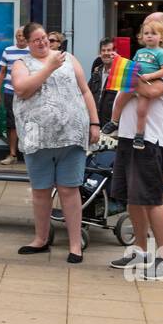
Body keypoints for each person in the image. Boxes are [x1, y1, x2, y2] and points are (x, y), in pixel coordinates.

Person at [108, 11, 163, 280]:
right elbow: (127, 87)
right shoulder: (142, 57)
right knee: (132, 197)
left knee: (152, 199)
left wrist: (126, 77)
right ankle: (140, 251)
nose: (146, 32)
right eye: (144, 29)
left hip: (152, 140)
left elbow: (152, 91)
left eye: (151, 28)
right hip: (128, 136)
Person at [11, 22, 100, 264]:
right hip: (37, 138)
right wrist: (48, 68)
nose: (42, 43)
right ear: (27, 43)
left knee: (69, 190)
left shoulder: (68, 58)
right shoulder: (21, 64)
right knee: (40, 191)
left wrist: (94, 122)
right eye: (36, 40)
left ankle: (74, 245)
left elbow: (85, 91)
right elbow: (22, 90)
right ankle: (40, 239)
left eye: (44, 38)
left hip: (71, 136)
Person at [103, 20, 163, 150]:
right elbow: (131, 65)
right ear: (141, 37)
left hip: (146, 86)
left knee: (141, 111)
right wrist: (118, 58)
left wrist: (151, 76)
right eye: (146, 33)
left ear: (161, 37)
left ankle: (139, 135)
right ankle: (114, 122)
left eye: (153, 33)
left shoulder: (161, 53)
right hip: (133, 82)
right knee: (119, 101)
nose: (149, 36)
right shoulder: (139, 51)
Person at [0, 25, 29, 165]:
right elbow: (2, 73)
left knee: (29, 124)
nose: (20, 38)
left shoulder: (32, 52)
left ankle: (29, 156)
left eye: (23, 35)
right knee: (12, 124)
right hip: (10, 92)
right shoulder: (8, 51)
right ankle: (12, 154)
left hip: (27, 93)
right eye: (18, 35)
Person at [88, 38, 117, 129]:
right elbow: (87, 94)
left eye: (109, 50)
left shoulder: (121, 74)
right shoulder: (96, 73)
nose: (106, 53)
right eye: (103, 50)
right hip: (95, 124)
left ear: (115, 52)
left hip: (112, 128)